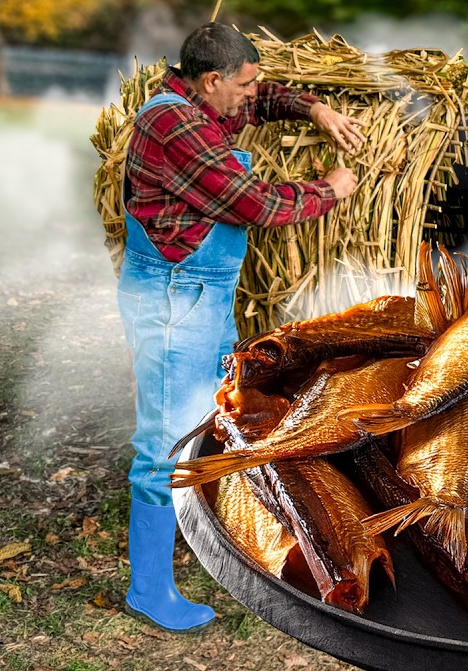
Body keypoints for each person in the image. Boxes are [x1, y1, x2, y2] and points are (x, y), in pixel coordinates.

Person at [117, 21, 364, 632]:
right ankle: (148, 588)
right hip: (176, 298)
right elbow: (253, 203)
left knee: (213, 416)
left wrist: (315, 108)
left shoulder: (204, 103)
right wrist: (329, 189)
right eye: (245, 83)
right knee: (164, 444)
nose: (254, 94)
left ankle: (208, 544)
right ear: (211, 81)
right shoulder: (174, 124)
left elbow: (267, 96)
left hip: (199, 294)